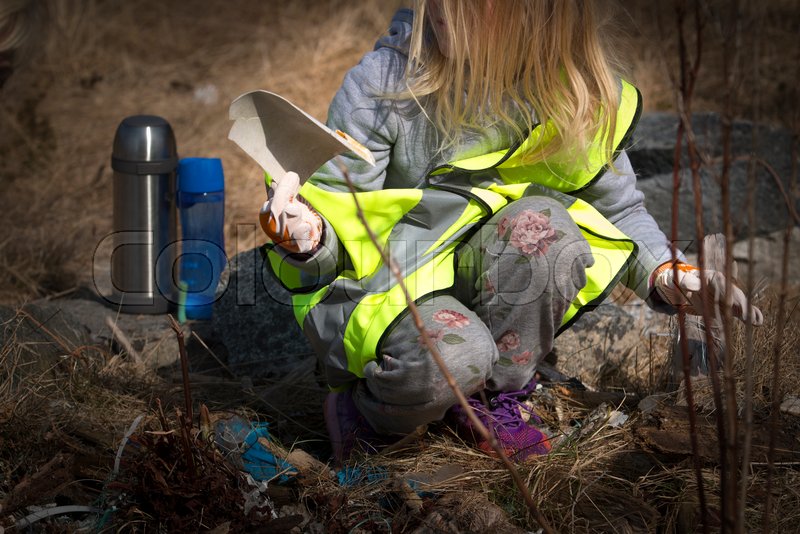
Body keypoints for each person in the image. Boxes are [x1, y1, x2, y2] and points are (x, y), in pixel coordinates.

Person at [255, 1, 763, 464]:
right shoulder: (386, 86)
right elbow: (341, 223)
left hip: (492, 276)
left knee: (545, 231)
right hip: (392, 288)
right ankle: (369, 416)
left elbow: (617, 209)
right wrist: (310, 237)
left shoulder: (573, 93)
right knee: (454, 357)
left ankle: (496, 398)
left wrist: (664, 269)